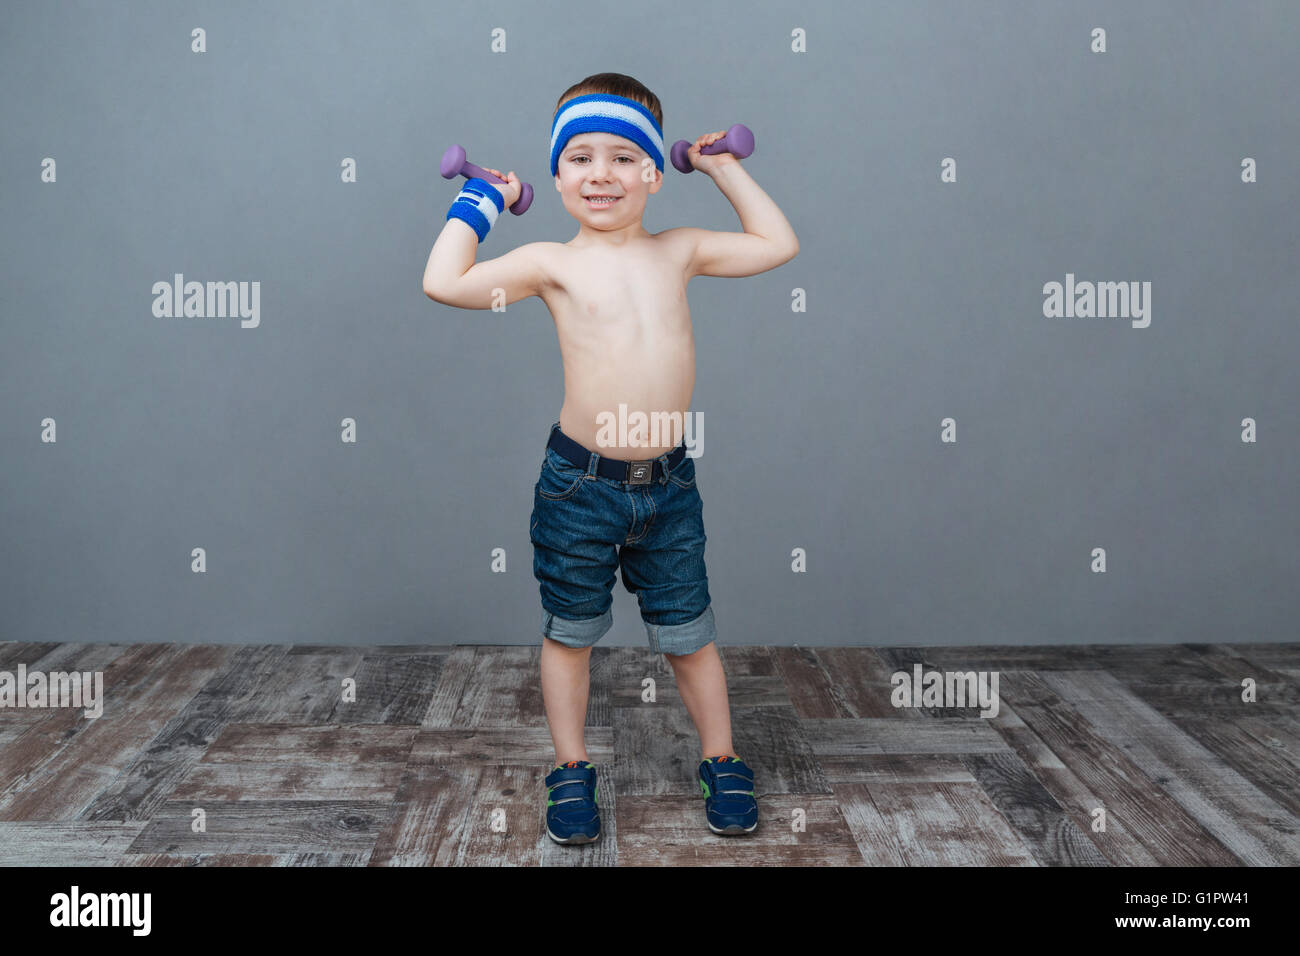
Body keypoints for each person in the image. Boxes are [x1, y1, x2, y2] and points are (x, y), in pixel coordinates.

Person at [423, 72, 798, 844]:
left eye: (625, 158)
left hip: (668, 487)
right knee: (571, 631)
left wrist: (721, 165)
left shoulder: (679, 251)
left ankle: (721, 758)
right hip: (579, 486)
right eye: (581, 158)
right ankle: (570, 771)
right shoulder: (549, 264)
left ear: (656, 175)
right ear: (556, 175)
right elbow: (442, 282)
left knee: (689, 633)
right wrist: (482, 200)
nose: (601, 174)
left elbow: (777, 242)